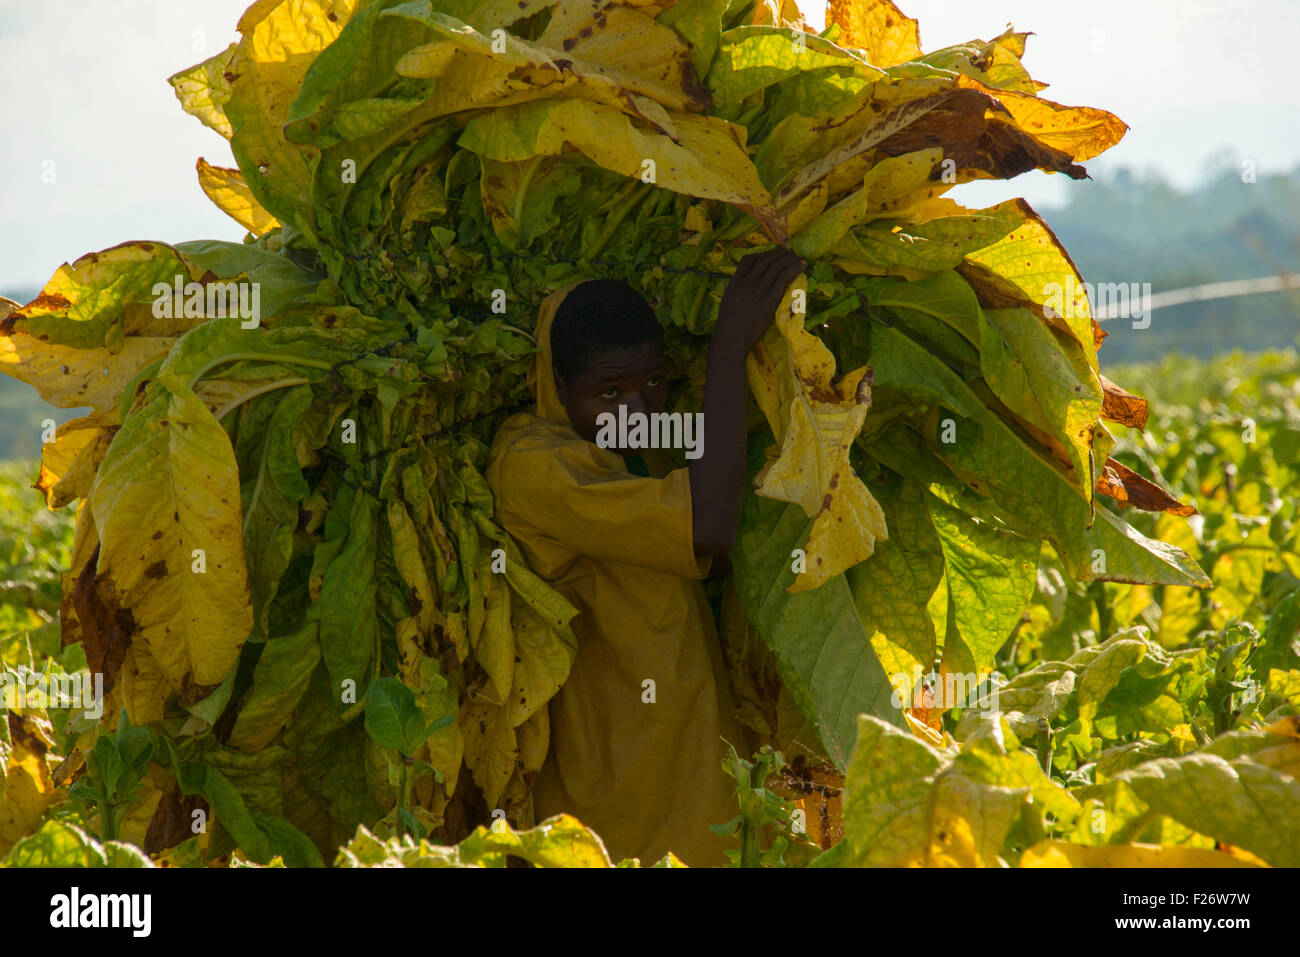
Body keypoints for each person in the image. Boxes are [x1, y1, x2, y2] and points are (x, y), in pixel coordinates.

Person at [485, 248, 808, 866]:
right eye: (609, 391)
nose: (636, 412)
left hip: (698, 752)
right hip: (615, 783)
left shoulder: (641, 441)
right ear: (556, 385)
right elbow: (708, 528)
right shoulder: (532, 465)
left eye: (652, 382)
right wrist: (729, 346)